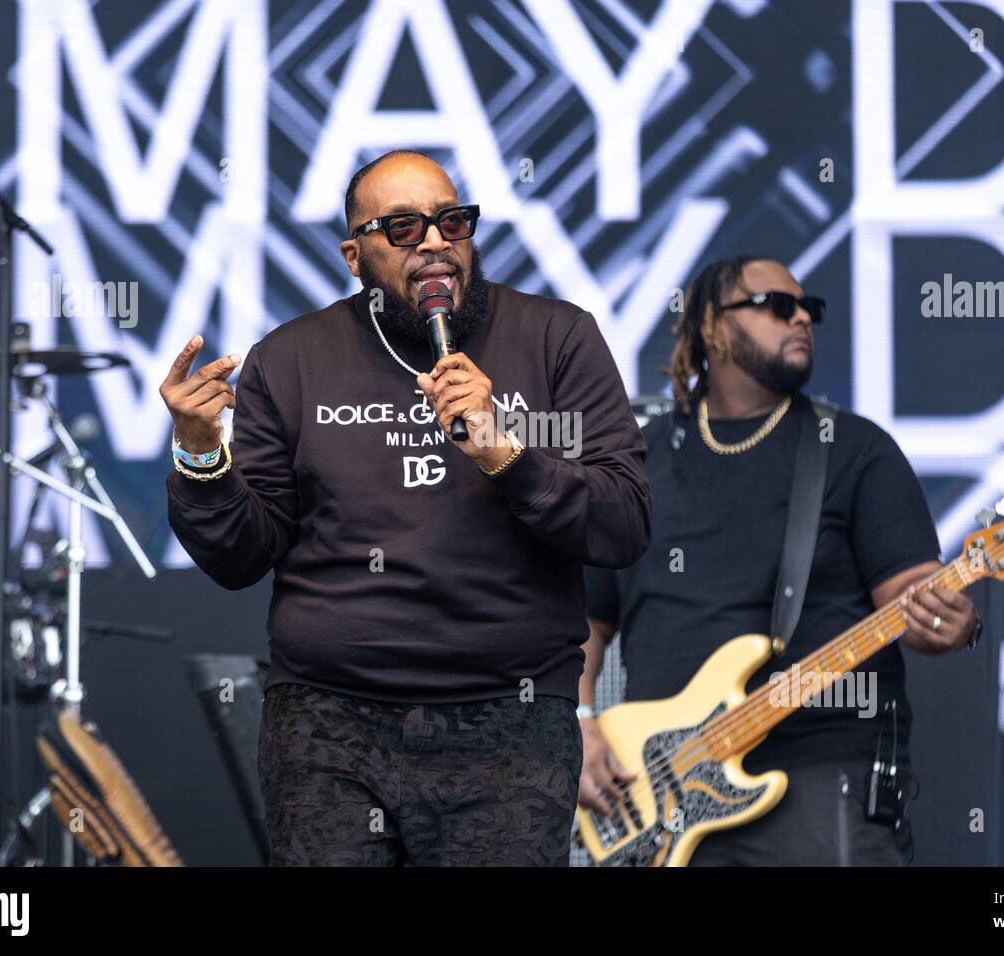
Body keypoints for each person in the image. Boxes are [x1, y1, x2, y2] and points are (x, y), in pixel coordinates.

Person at [161, 149, 651, 865]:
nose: (433, 242)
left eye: (451, 221)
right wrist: (202, 453)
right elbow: (240, 555)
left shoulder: (555, 339)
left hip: (509, 723)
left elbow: (623, 524)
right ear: (354, 256)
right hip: (329, 726)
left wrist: (506, 455)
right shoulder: (292, 359)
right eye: (401, 228)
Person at [579, 254, 978, 866]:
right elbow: (582, 624)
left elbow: (914, 596)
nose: (800, 318)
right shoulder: (640, 464)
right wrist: (579, 724)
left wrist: (945, 619)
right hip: (660, 800)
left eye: (808, 308)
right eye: (776, 305)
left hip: (819, 776)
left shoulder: (852, 450)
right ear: (711, 327)